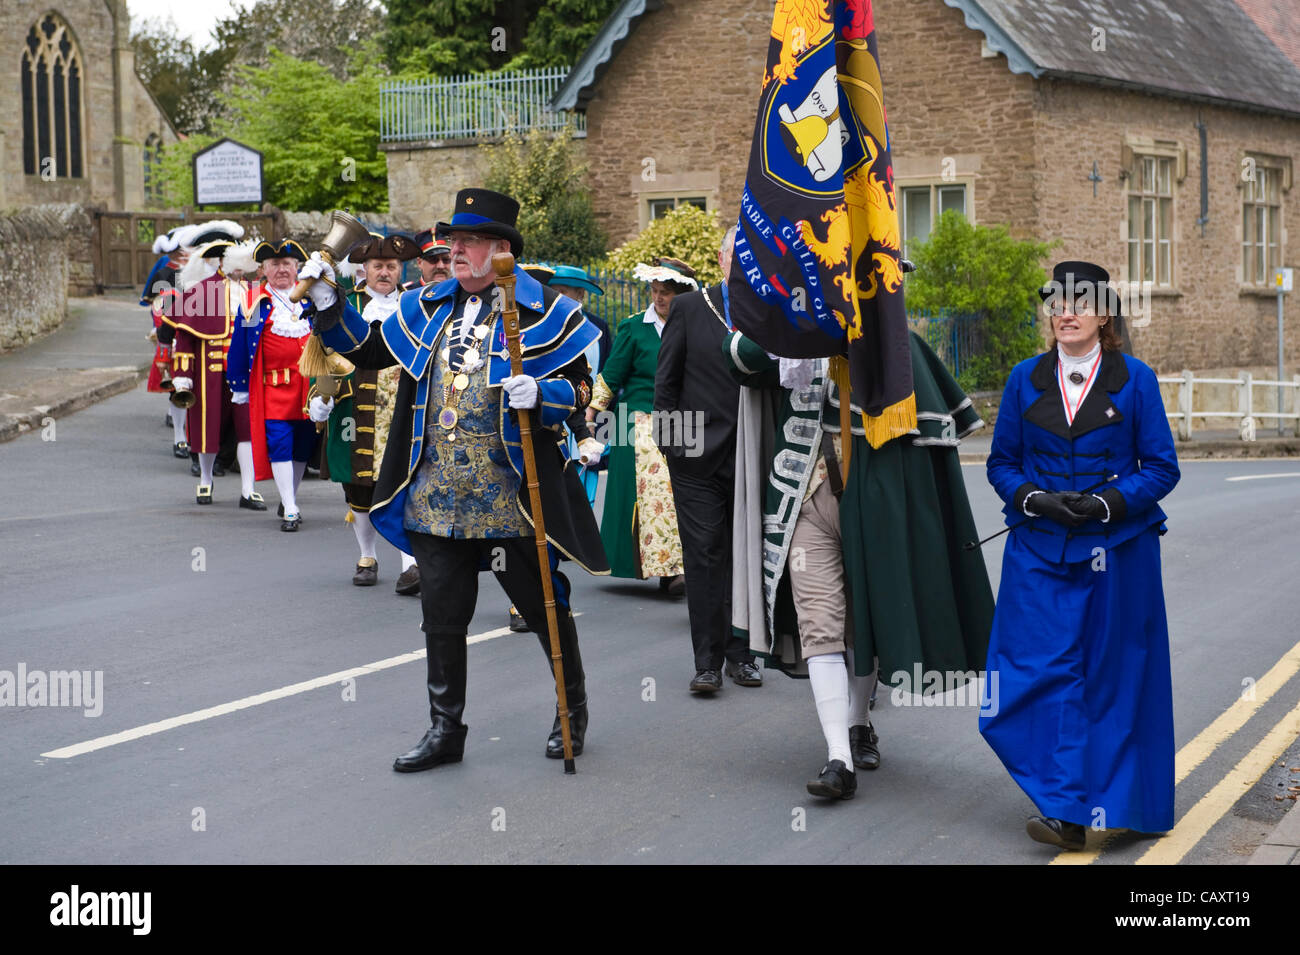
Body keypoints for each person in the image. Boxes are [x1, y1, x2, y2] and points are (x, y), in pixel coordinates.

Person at [299, 187, 607, 771]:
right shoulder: (428, 305)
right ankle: (446, 731)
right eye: (454, 241)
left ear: (500, 249)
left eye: (467, 242)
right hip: (435, 497)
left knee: (545, 607)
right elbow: (365, 353)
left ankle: (572, 711)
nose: (454, 250)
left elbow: (584, 392)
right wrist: (327, 301)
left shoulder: (544, 311)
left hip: (512, 497)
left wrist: (546, 394)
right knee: (441, 621)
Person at [727, 325, 994, 798]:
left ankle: (859, 721)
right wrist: (796, 320)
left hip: (870, 504)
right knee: (820, 624)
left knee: (861, 622)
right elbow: (742, 358)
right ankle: (838, 756)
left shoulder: (893, 342)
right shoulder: (793, 338)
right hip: (806, 501)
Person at [981, 260, 1180, 849]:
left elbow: (1162, 467)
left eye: (1081, 302)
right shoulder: (1024, 379)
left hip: (1117, 553)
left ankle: (1080, 811)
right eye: (1058, 302)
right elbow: (1001, 463)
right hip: (1038, 550)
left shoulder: (1136, 380)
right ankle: (1062, 797)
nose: (1066, 312)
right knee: (1033, 674)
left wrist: (1106, 504)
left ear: (1104, 314)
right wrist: (1035, 497)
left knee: (1110, 680)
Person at [655, 232, 762, 692]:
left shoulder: (771, 312)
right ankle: (707, 663)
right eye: (737, 257)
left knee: (744, 556)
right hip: (695, 459)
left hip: (752, 454)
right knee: (703, 557)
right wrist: (673, 449)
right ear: (721, 261)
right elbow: (667, 383)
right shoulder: (690, 308)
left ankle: (742, 656)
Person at [309, 233, 422, 589]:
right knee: (358, 489)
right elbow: (324, 355)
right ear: (365, 269)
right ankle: (367, 556)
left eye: (391, 266)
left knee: (406, 487)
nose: (385, 272)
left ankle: (411, 564)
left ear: (400, 268)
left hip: (402, 411)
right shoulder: (344, 304)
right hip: (351, 410)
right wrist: (320, 397)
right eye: (378, 266)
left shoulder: (416, 305)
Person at [586, 258, 691, 597]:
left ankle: (687, 565)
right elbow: (611, 375)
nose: (658, 298)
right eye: (655, 291)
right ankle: (668, 569)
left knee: (688, 493)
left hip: (686, 419)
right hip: (637, 422)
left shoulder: (693, 324)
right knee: (657, 493)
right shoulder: (634, 327)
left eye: (666, 293)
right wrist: (591, 414)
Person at [226, 238, 319, 529]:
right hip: (273, 389)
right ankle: (290, 507)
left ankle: (288, 496)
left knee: (304, 446)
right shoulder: (254, 302)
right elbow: (240, 345)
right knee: (279, 443)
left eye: (287, 264)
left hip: (308, 388)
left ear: (296, 268)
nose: (281, 269)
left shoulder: (312, 299)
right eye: (275, 264)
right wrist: (240, 386)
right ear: (264, 269)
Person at [160, 221, 246, 505]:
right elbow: (182, 334)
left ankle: (247, 488)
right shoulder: (203, 289)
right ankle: (206, 478)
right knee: (208, 424)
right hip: (210, 372)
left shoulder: (253, 290)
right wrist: (182, 375)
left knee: (245, 429)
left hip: (244, 373)